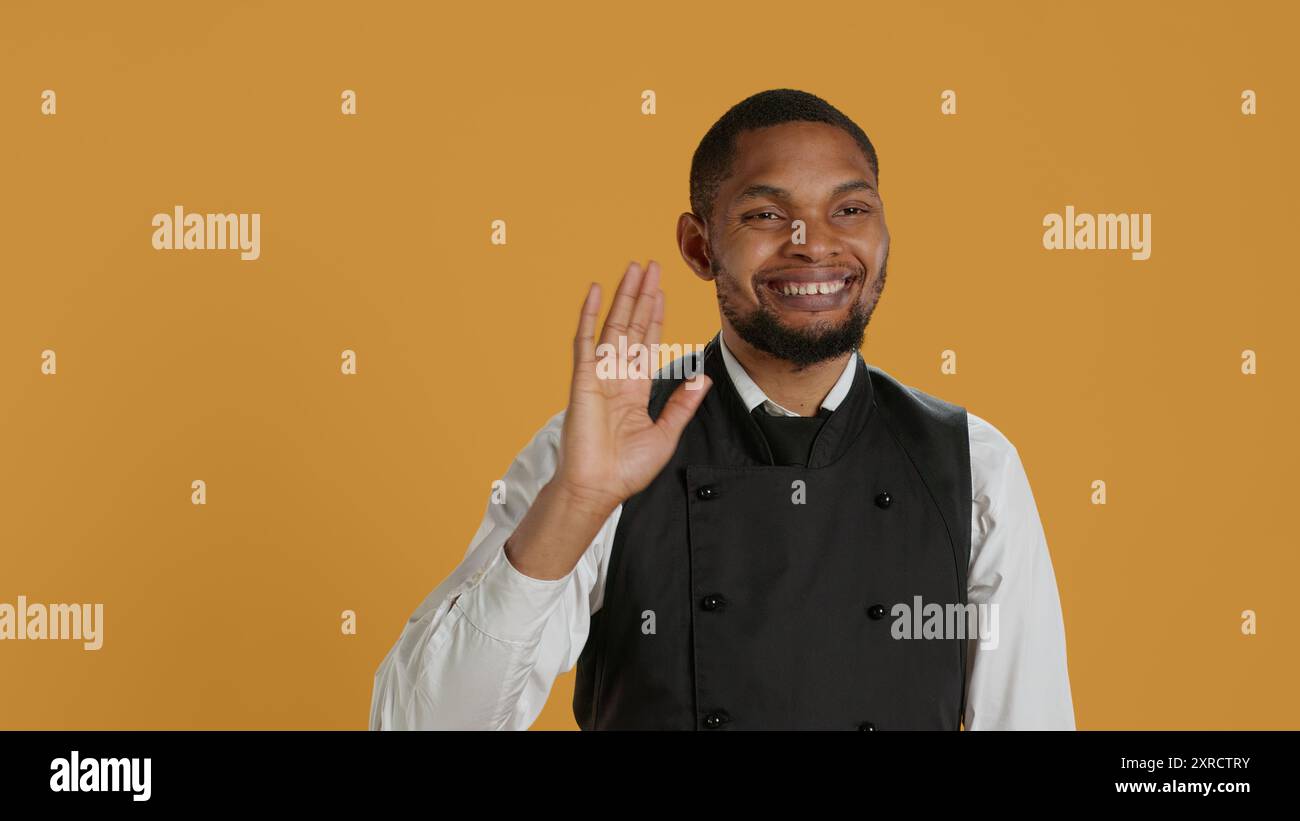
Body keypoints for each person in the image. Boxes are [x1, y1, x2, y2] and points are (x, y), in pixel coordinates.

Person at [369, 88, 1075, 731]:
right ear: (698, 246)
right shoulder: (594, 454)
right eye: (767, 214)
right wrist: (578, 501)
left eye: (849, 209)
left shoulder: (973, 467)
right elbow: (418, 724)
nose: (814, 243)